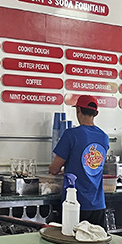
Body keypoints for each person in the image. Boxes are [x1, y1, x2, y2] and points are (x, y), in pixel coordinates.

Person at [49, 95, 109, 229]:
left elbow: (54, 169)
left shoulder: (71, 134)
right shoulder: (104, 137)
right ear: (96, 113)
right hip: (98, 204)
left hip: (74, 204)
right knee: (96, 242)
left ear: (78, 111)